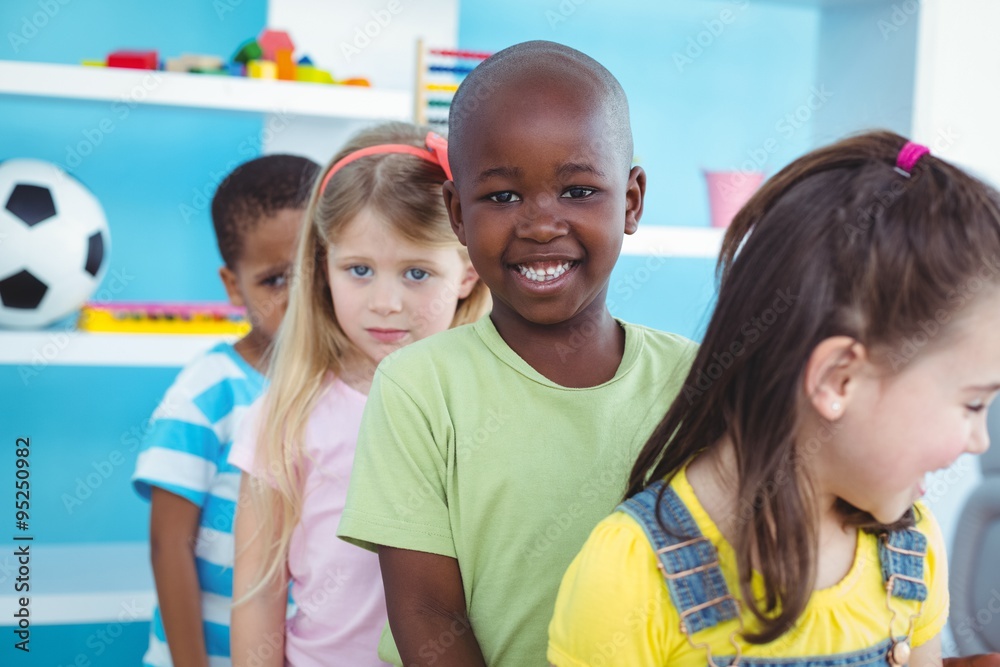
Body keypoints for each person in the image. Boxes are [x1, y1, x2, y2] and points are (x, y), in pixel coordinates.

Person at [548, 132, 1000, 665]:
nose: (980, 441)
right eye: (974, 404)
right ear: (838, 380)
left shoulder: (911, 545)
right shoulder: (630, 573)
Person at [336, 41, 698, 666]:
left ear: (632, 201)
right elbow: (427, 611)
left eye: (578, 191)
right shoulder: (419, 388)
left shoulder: (696, 382)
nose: (539, 224)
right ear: (457, 213)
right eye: (503, 197)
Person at [228, 122, 489, 667]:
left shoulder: (490, 405)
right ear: (323, 266)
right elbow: (257, 595)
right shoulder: (285, 415)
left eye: (417, 272)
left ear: (466, 272)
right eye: (359, 270)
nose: (385, 302)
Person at [132, 154, 319, 667]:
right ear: (234, 286)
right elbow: (168, 546)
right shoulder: (209, 390)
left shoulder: (341, 387)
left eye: (314, 270)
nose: (299, 296)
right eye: (275, 281)